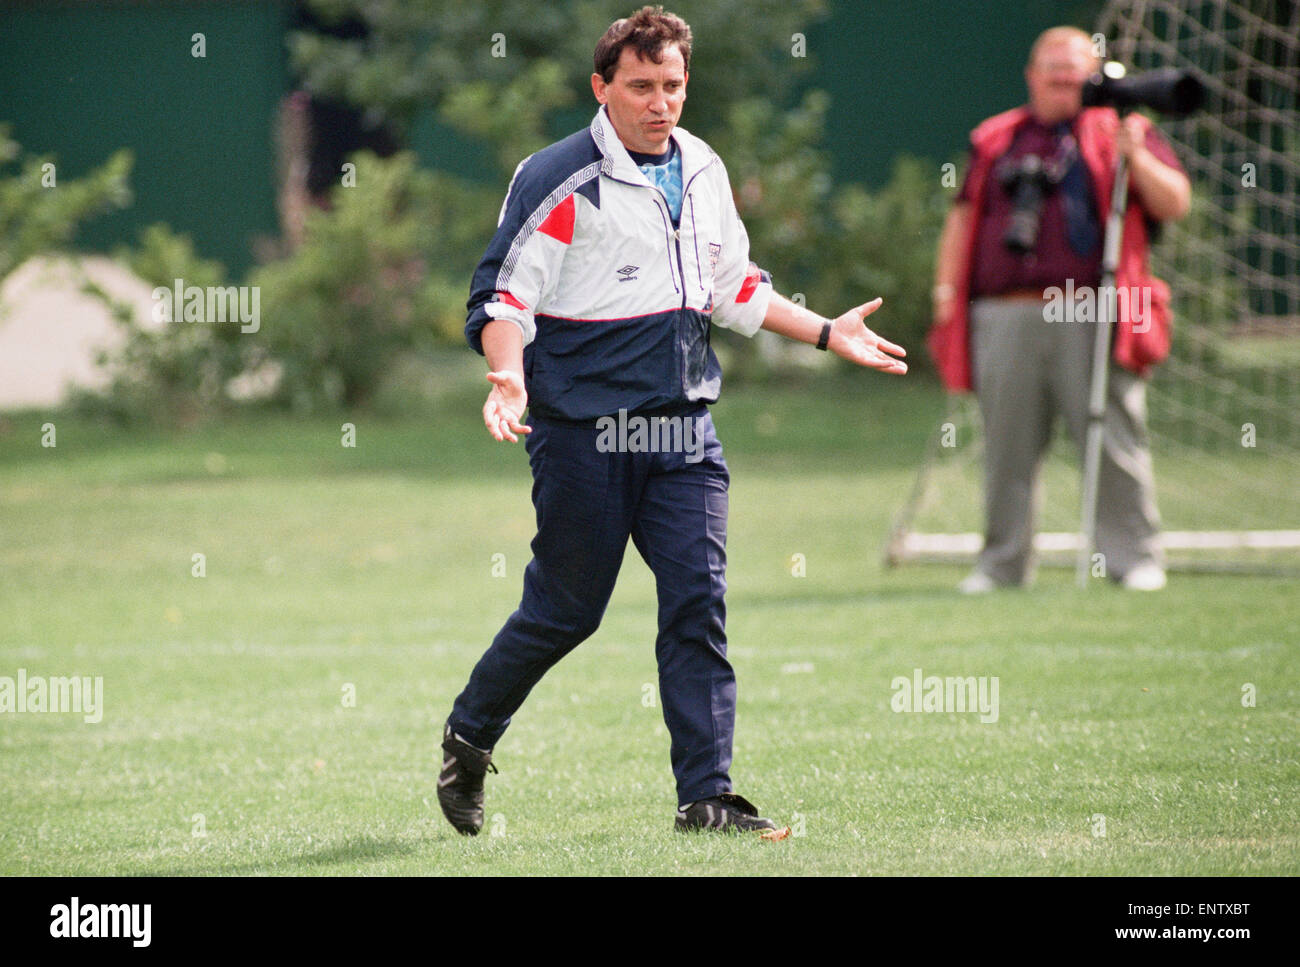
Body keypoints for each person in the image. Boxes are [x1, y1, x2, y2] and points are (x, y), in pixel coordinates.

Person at [437, 5, 908, 836]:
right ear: (602, 87)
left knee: (698, 600)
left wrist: (830, 332)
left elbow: (735, 290)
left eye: (673, 86)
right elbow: (503, 298)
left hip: (683, 431)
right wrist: (507, 376)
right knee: (567, 611)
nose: (660, 103)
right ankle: (470, 736)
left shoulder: (702, 168)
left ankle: (707, 796)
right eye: (641, 85)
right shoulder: (557, 177)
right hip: (583, 435)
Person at [927, 26, 1190, 593]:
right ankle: (1002, 564)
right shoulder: (997, 137)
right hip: (1005, 311)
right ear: (1032, 74)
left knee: (1113, 435)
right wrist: (946, 293)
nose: (1063, 76)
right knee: (1005, 446)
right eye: (1052, 66)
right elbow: (964, 217)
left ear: (1094, 73)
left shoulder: (1123, 129)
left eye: (1075, 66)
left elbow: (1175, 201)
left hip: (1090, 308)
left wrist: (1136, 158)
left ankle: (1132, 559)